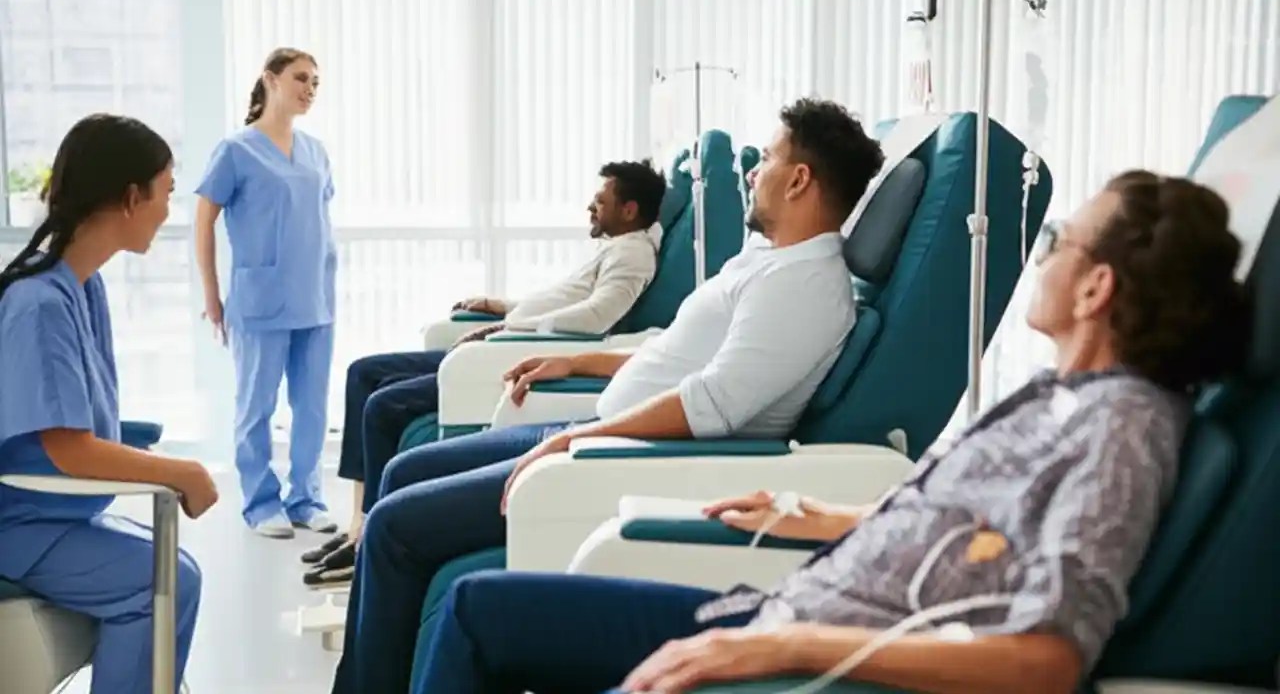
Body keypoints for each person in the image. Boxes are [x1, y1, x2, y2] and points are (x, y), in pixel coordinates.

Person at [413, 171, 1251, 694]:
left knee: (480, 611)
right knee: (470, 602)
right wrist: (837, 518)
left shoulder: (1122, 430)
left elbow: (1045, 659)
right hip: (789, 607)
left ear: (1097, 286)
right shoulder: (1059, 395)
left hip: (813, 645)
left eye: (1060, 240)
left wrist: (778, 646)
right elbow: (989, 536)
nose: (1043, 253)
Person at [329, 97, 888, 694]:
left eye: (770, 158)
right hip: (607, 432)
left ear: (800, 179)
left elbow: (714, 402)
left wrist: (577, 438)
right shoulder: (769, 262)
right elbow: (674, 351)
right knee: (404, 472)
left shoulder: (804, 287)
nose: (755, 173)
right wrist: (578, 360)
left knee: (392, 526)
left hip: (629, 459)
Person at [301, 160, 666, 586]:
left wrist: (510, 329)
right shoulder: (613, 247)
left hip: (513, 351)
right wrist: (503, 307)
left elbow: (597, 317)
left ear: (629, 210)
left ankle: (363, 540)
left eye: (601, 201)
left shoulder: (634, 253)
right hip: (509, 337)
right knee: (364, 374)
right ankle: (356, 527)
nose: (590, 207)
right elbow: (562, 301)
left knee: (383, 402)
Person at [0, 114, 219, 693]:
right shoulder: (38, 304)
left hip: (53, 515)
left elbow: (72, 414)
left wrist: (145, 449)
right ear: (130, 197)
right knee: (162, 580)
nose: (168, 211)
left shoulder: (80, 286)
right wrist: (180, 472)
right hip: (20, 527)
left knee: (178, 572)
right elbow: (66, 447)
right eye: (166, 194)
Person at [194, 47, 338, 538]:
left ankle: (305, 498)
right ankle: (260, 503)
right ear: (270, 80)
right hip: (259, 299)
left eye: (316, 82)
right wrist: (212, 294)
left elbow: (318, 222)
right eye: (301, 78)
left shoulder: (316, 151)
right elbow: (204, 223)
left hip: (315, 298)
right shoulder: (236, 150)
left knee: (313, 406)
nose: (310, 89)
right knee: (256, 406)